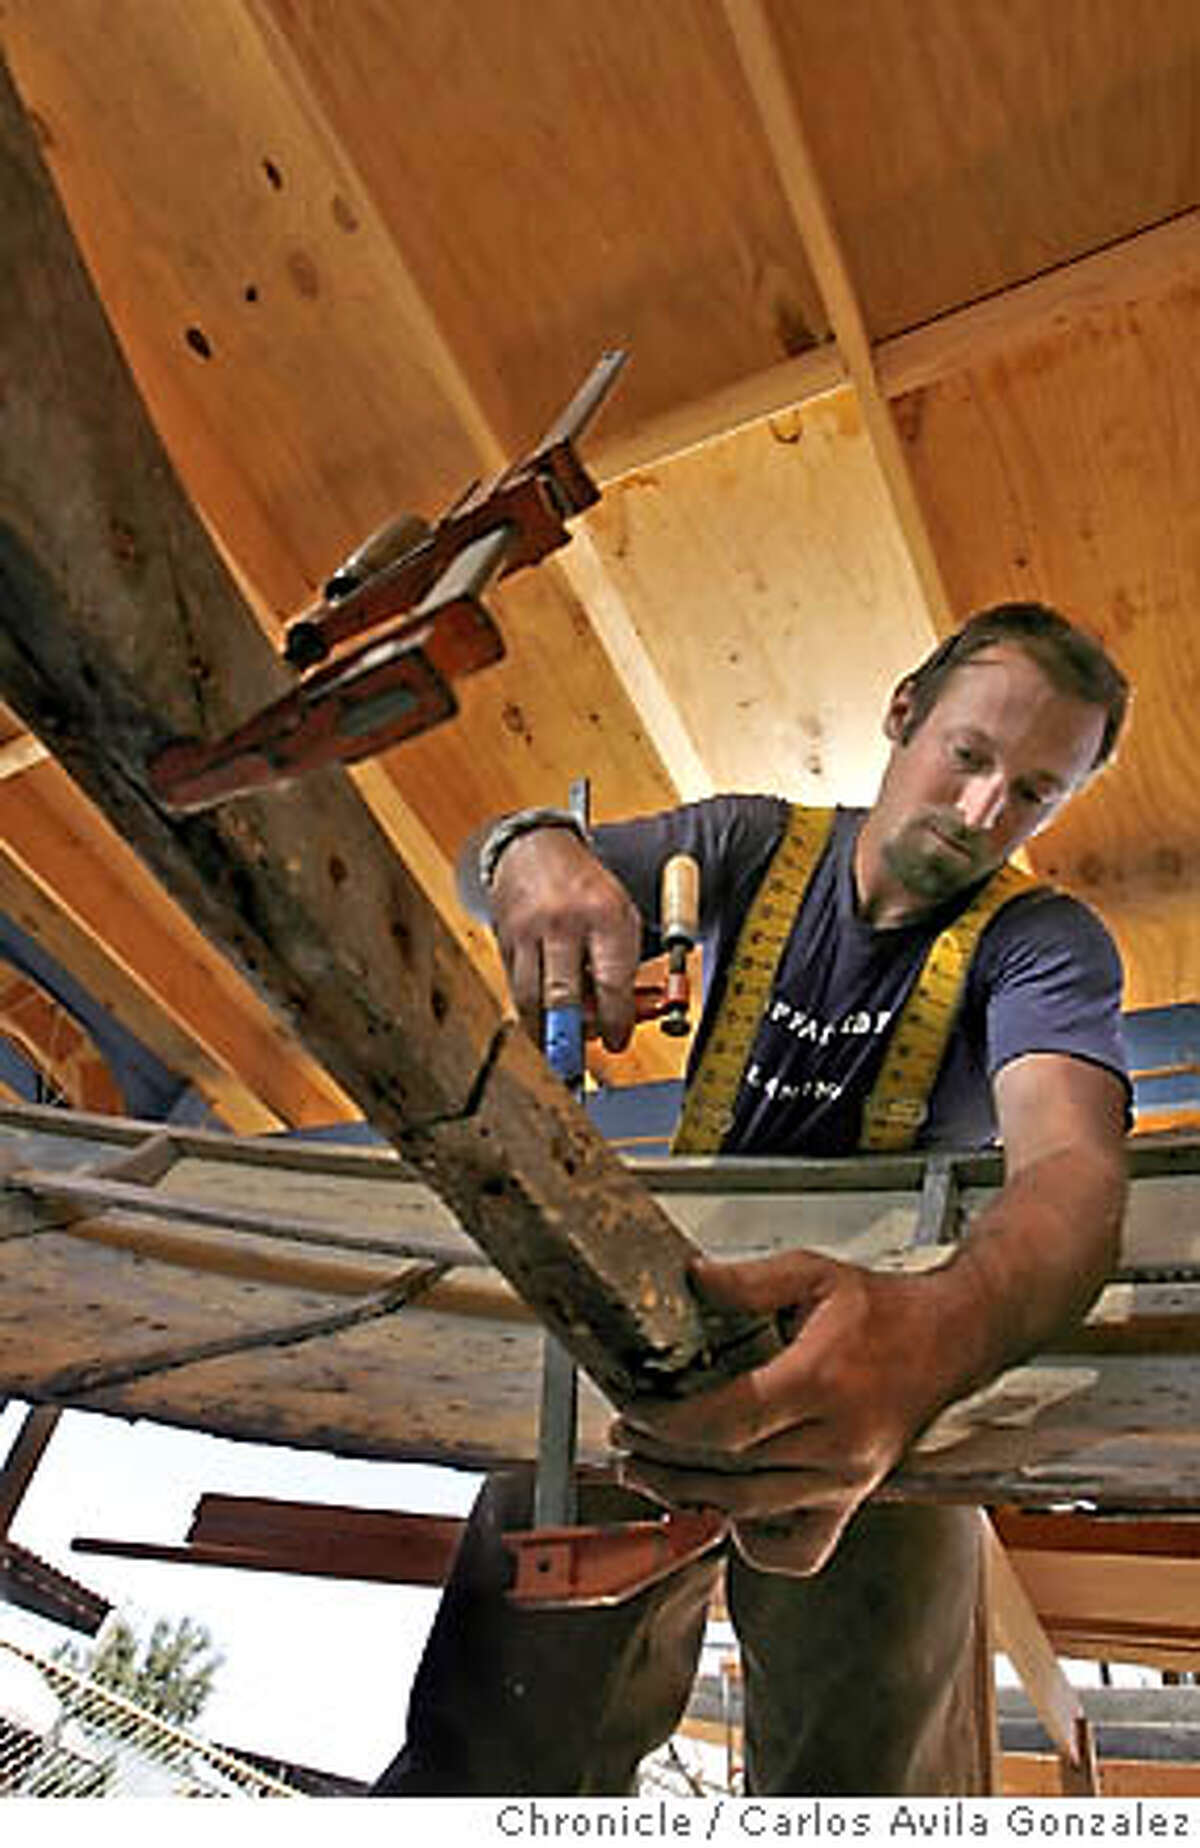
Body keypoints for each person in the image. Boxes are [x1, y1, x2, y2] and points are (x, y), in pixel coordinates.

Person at [373, 601, 1131, 1797]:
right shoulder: (743, 847)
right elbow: (490, 863)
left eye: (1033, 792)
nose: (986, 813)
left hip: (893, 1364)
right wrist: (526, 853)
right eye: (969, 756)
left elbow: (1075, 1173)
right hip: (656, 1316)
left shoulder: (1043, 944)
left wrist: (939, 1337)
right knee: (493, 1742)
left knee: (864, 1777)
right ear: (901, 716)